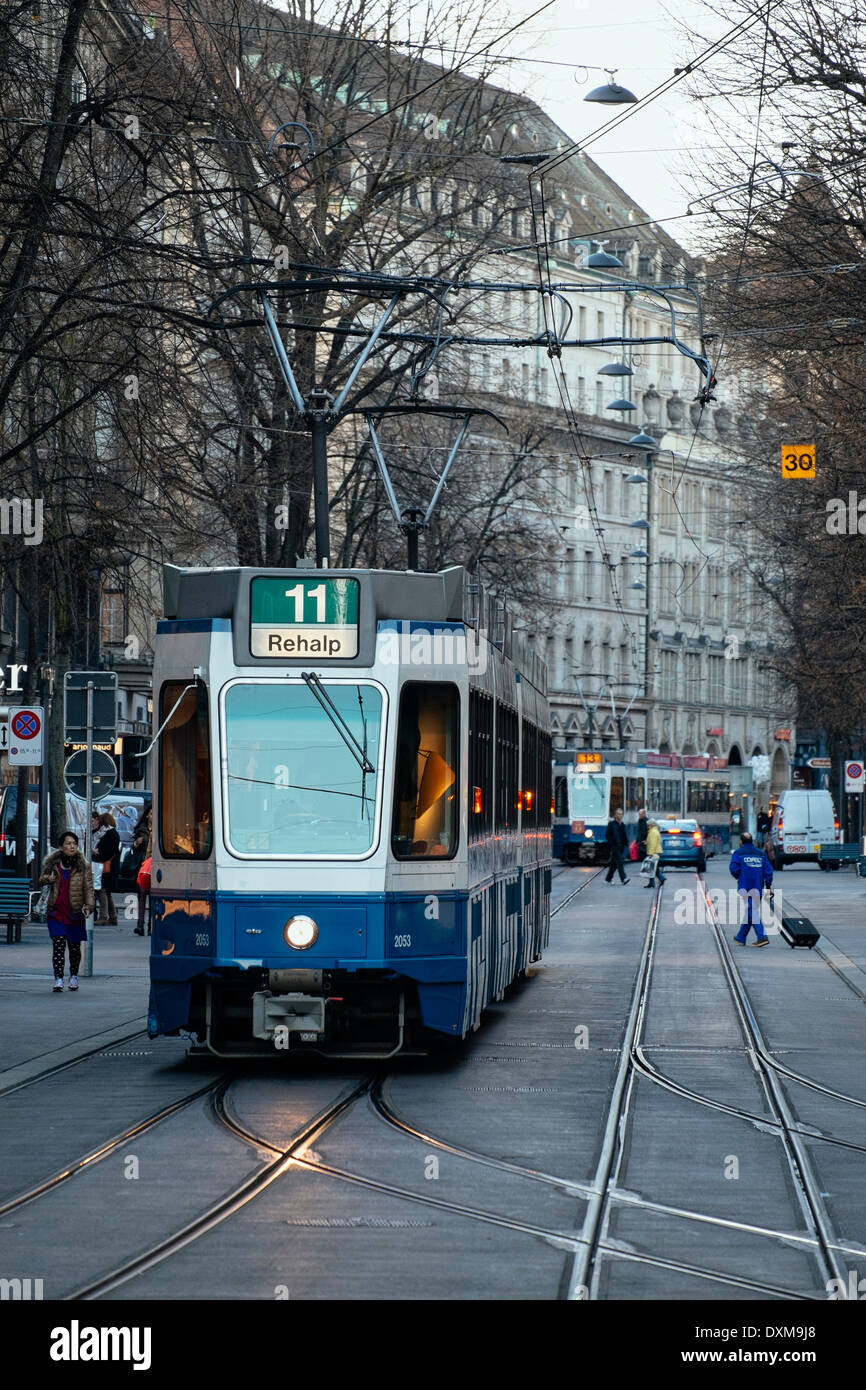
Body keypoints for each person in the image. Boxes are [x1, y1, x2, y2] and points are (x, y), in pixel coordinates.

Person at [39, 831, 94, 992]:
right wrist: (48, 879)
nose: (72, 846)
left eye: (74, 844)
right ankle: (58, 979)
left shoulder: (83, 867)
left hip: (75, 913)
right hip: (56, 912)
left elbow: (89, 888)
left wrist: (89, 906)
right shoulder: (52, 865)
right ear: (61, 847)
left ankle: (73, 976)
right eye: (68, 843)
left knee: (74, 948)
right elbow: (41, 880)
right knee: (58, 945)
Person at [729, 830, 773, 947]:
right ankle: (741, 937)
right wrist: (768, 886)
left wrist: (740, 875)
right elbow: (768, 871)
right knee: (751, 910)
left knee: (751, 911)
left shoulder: (738, 853)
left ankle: (762, 936)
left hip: (745, 886)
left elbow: (734, 869)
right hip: (758, 887)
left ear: (741, 842)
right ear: (752, 841)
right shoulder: (760, 853)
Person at [92, 811, 120, 925]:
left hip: (105, 865)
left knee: (101, 890)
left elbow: (107, 851)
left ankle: (103, 916)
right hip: (109, 866)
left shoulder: (108, 834)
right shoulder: (110, 833)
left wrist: (97, 852)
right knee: (107, 891)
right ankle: (113, 916)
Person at [132, 803, 152, 936]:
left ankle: (151, 925)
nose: (152, 816)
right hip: (144, 865)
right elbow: (135, 849)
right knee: (142, 894)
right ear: (147, 815)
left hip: (154, 865)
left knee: (154, 897)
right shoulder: (141, 829)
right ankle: (140, 924)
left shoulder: (160, 829)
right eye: (150, 814)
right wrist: (136, 843)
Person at [605, 807, 631, 884]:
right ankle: (623, 878)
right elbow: (607, 835)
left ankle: (608, 879)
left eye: (621, 814)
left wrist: (626, 843)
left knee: (614, 864)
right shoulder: (611, 824)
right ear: (615, 815)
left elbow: (624, 835)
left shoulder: (622, 824)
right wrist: (611, 843)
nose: (620, 815)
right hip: (615, 846)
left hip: (621, 846)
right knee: (619, 862)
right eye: (618, 814)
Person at [643, 819, 666, 889]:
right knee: (653, 868)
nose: (647, 827)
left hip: (654, 853)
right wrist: (647, 842)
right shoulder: (654, 831)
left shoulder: (653, 832)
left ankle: (661, 878)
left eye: (648, 825)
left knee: (653, 868)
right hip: (656, 852)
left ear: (652, 825)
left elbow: (653, 844)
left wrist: (650, 854)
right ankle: (653, 882)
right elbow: (652, 842)